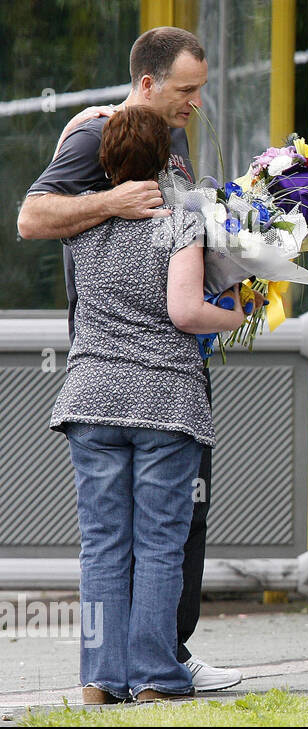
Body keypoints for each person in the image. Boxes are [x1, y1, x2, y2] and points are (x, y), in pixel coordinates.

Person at [18, 26, 242, 693]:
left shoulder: (98, 225)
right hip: (164, 395)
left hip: (89, 394)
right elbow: (32, 219)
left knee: (104, 548)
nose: (195, 103)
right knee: (161, 544)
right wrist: (239, 309)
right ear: (147, 88)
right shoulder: (163, 205)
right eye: (188, 90)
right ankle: (156, 675)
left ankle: (99, 677)